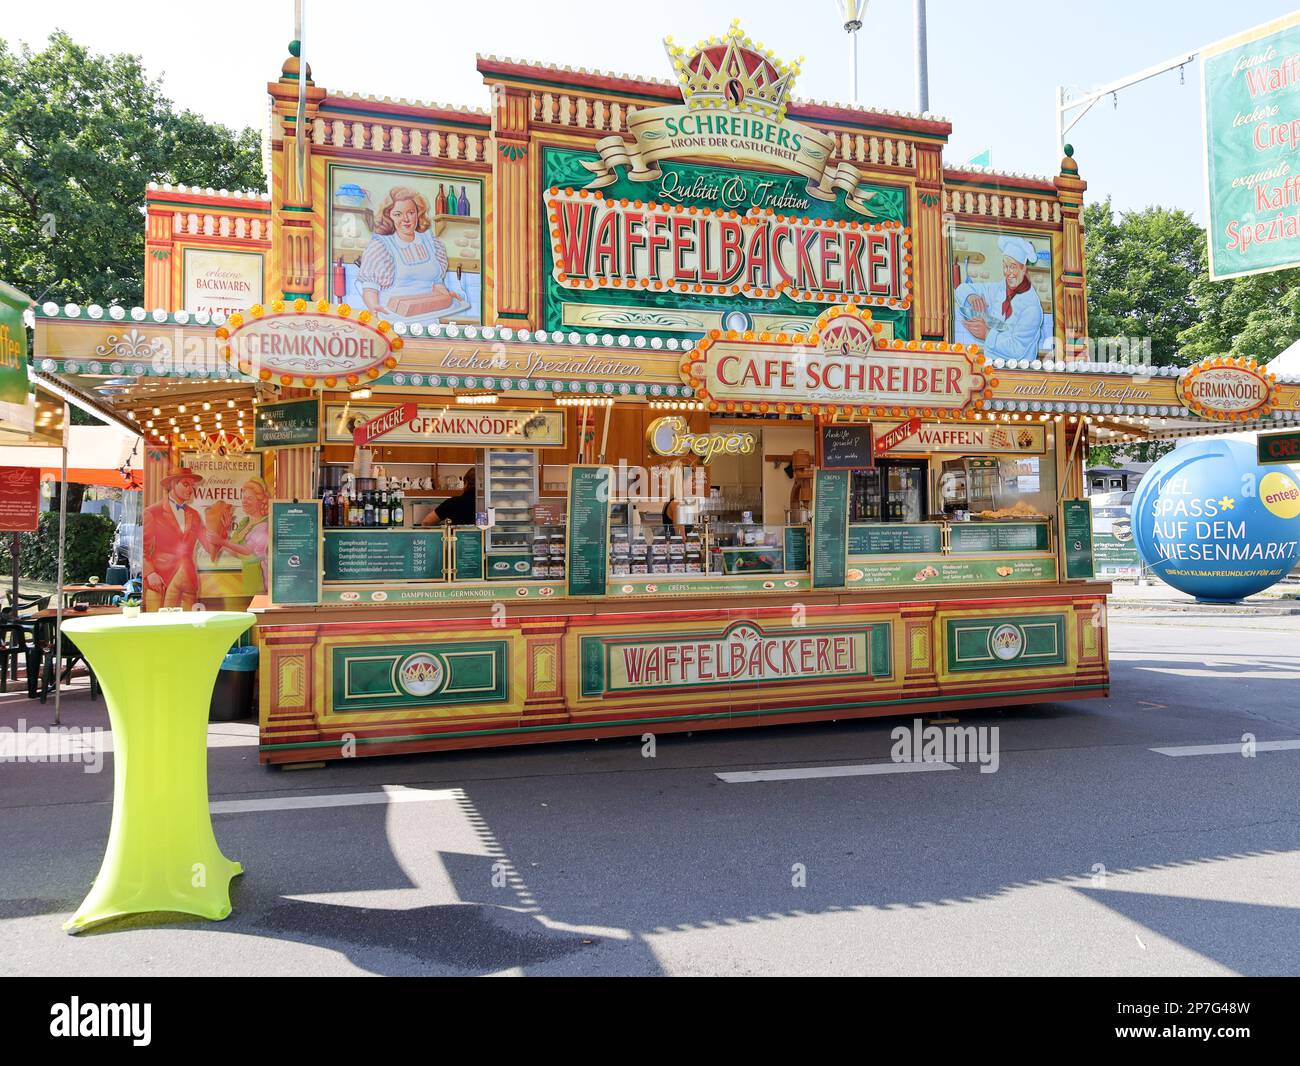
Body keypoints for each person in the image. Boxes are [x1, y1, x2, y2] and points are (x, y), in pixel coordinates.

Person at [357, 186, 467, 320]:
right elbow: (369, 287)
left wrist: (447, 297)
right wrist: (373, 306)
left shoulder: (431, 242)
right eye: (398, 214)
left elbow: (436, 283)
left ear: (418, 213)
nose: (406, 219)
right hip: (392, 320)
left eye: (410, 212)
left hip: (429, 319)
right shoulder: (382, 246)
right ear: (388, 216)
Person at [141, 469, 222, 611]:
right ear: (173, 484)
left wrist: (221, 530)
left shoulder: (194, 515)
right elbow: (142, 549)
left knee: (187, 628)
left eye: (192, 486)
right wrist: (150, 573)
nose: (191, 489)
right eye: (186, 484)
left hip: (188, 583)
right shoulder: (153, 512)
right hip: (160, 581)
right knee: (158, 628)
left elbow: (211, 549)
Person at [954, 235, 1045, 359]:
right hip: (990, 365)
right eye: (1005, 266)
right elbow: (960, 290)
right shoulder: (1000, 289)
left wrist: (986, 334)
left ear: (1023, 269)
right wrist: (972, 296)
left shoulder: (1031, 307)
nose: (1008, 272)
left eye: (1012, 267)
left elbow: (1016, 349)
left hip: (1017, 371)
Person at [219, 477, 272, 594]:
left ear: (260, 501)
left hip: (262, 582)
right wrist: (224, 532)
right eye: (243, 498)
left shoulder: (266, 525)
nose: (244, 501)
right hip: (249, 580)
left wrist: (221, 541)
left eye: (249, 498)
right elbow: (233, 550)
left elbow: (249, 554)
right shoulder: (244, 522)